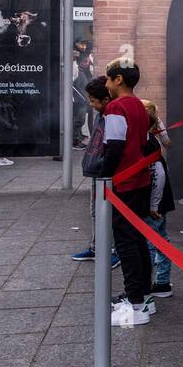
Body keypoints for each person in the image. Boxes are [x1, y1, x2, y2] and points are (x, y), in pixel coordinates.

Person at [103, 58, 154, 326]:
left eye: (108, 79)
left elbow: (114, 146)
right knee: (138, 239)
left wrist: (104, 176)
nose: (107, 85)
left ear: (118, 79)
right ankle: (144, 295)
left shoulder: (116, 107)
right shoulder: (139, 106)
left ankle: (135, 304)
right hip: (140, 180)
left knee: (125, 244)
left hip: (123, 183)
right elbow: (143, 144)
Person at [72, 76, 121, 269]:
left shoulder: (113, 115)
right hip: (97, 170)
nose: (91, 105)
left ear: (106, 99)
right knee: (95, 211)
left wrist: (103, 167)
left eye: (93, 101)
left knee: (109, 211)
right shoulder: (101, 114)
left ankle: (113, 250)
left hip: (106, 172)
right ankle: (97, 246)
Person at [142, 100, 175, 298]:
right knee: (160, 238)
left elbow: (157, 174)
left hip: (155, 200)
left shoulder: (146, 143)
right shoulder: (150, 139)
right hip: (160, 197)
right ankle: (162, 282)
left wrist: (153, 204)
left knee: (152, 241)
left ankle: (154, 283)